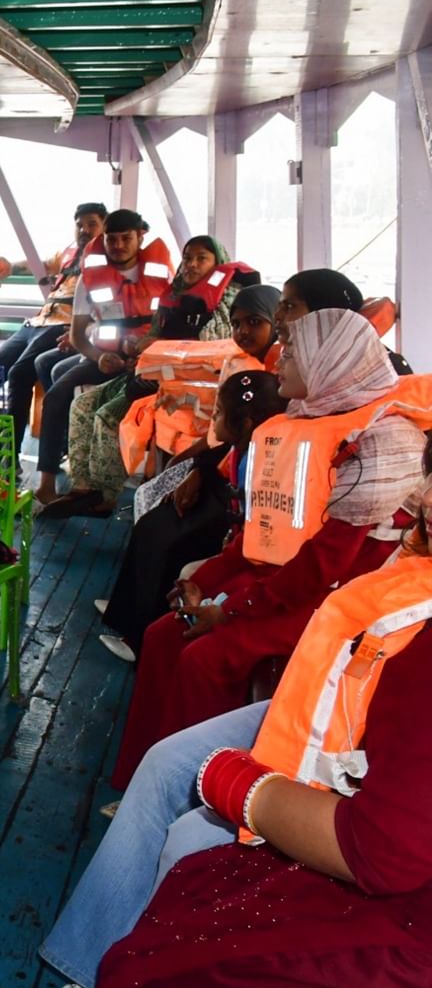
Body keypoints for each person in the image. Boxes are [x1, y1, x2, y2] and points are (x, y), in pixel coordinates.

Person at [42, 463, 432, 988]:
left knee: (186, 842)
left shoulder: (375, 468)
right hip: (339, 701)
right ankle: (83, 967)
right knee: (164, 764)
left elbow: (383, 852)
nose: (422, 499)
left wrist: (232, 780)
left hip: (351, 764)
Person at [110, 308, 430, 789]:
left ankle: (192, 794)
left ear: (329, 360)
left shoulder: (382, 440)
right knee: (162, 634)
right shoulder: (305, 421)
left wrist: (232, 612)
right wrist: (203, 580)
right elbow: (266, 531)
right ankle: (141, 781)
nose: (280, 359)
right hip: (289, 580)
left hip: (344, 601)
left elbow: (326, 565)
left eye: (294, 349)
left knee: (205, 659)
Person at [96, 287, 284, 659]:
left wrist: (196, 471)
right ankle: (125, 609)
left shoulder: (281, 375)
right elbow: (222, 434)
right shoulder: (243, 363)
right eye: (238, 323)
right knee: (150, 503)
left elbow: (238, 442)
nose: (244, 331)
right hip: (221, 464)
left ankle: (140, 634)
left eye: (255, 323)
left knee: (167, 533)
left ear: (275, 324)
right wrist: (189, 464)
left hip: (240, 487)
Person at [40, 235, 241, 520]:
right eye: (188, 258)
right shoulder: (176, 291)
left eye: (202, 258)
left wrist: (159, 352)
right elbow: (155, 334)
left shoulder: (225, 298)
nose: (192, 265)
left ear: (217, 261)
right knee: (82, 405)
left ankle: (105, 496)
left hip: (185, 385)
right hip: (149, 371)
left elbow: (214, 341)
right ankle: (83, 489)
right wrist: (136, 346)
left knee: (108, 416)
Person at [31, 209, 173, 504]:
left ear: (140, 237)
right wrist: (98, 357)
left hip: (148, 363)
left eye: (126, 238)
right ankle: (47, 484)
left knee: (102, 408)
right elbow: (78, 336)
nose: (118, 245)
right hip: (105, 359)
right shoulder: (88, 279)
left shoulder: (163, 277)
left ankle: (114, 486)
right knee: (57, 395)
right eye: (111, 239)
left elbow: (171, 327)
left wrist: (149, 349)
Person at [0, 203, 108, 448]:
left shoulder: (107, 259)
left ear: (103, 228)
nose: (84, 230)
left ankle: (9, 453)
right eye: (80, 225)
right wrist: (2, 269)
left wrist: (82, 331)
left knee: (19, 373)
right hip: (38, 320)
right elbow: (40, 264)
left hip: (64, 324)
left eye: (92, 224)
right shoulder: (67, 253)